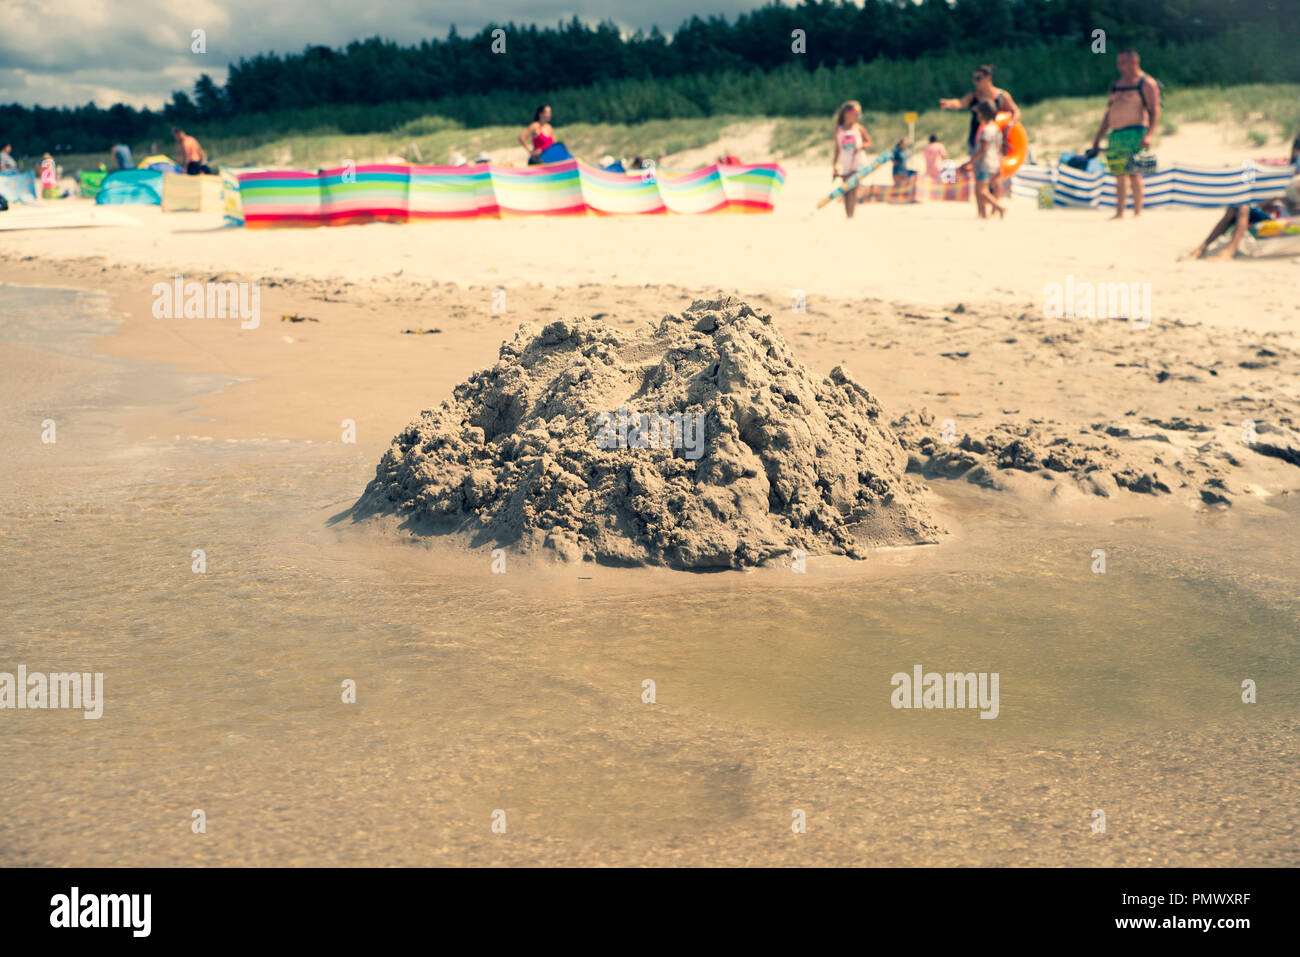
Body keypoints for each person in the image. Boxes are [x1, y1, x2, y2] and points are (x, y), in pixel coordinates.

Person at [1090, 48, 1160, 220]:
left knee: (1134, 173)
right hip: (1116, 134)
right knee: (1118, 174)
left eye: (1123, 62)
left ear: (1134, 62)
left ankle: (1138, 212)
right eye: (1118, 63)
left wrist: (1149, 134)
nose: (1119, 66)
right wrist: (1097, 138)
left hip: (1136, 132)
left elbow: (1155, 110)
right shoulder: (1116, 84)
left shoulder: (1147, 83)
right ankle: (1119, 212)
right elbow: (1109, 113)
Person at [1186, 175, 1300, 260]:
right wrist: (1274, 200)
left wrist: (1291, 207)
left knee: (1244, 208)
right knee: (1234, 209)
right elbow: (1259, 207)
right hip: (1265, 220)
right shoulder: (1282, 201)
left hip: (1278, 224)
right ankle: (1202, 247)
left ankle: (1229, 250)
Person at [940, 65, 1020, 158]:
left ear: (988, 77)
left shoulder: (1002, 96)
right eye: (974, 78)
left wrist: (1010, 125)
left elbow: (1016, 111)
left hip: (996, 140)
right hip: (977, 138)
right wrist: (949, 103)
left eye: (978, 78)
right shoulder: (974, 96)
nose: (975, 81)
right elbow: (960, 103)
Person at [960, 101, 1006, 219]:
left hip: (985, 164)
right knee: (986, 188)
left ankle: (1000, 208)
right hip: (994, 162)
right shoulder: (997, 129)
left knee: (981, 190)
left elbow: (982, 150)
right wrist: (1000, 165)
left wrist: (970, 162)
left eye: (978, 113)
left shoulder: (986, 130)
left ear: (983, 114)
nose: (977, 115)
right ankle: (983, 214)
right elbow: (999, 149)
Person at [831, 99, 873, 219]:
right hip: (845, 162)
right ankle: (848, 215)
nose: (859, 116)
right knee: (846, 190)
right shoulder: (839, 129)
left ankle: (851, 216)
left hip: (858, 162)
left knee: (853, 188)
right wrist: (834, 166)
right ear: (848, 113)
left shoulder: (859, 128)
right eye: (857, 113)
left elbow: (869, 142)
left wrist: (862, 146)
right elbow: (837, 149)